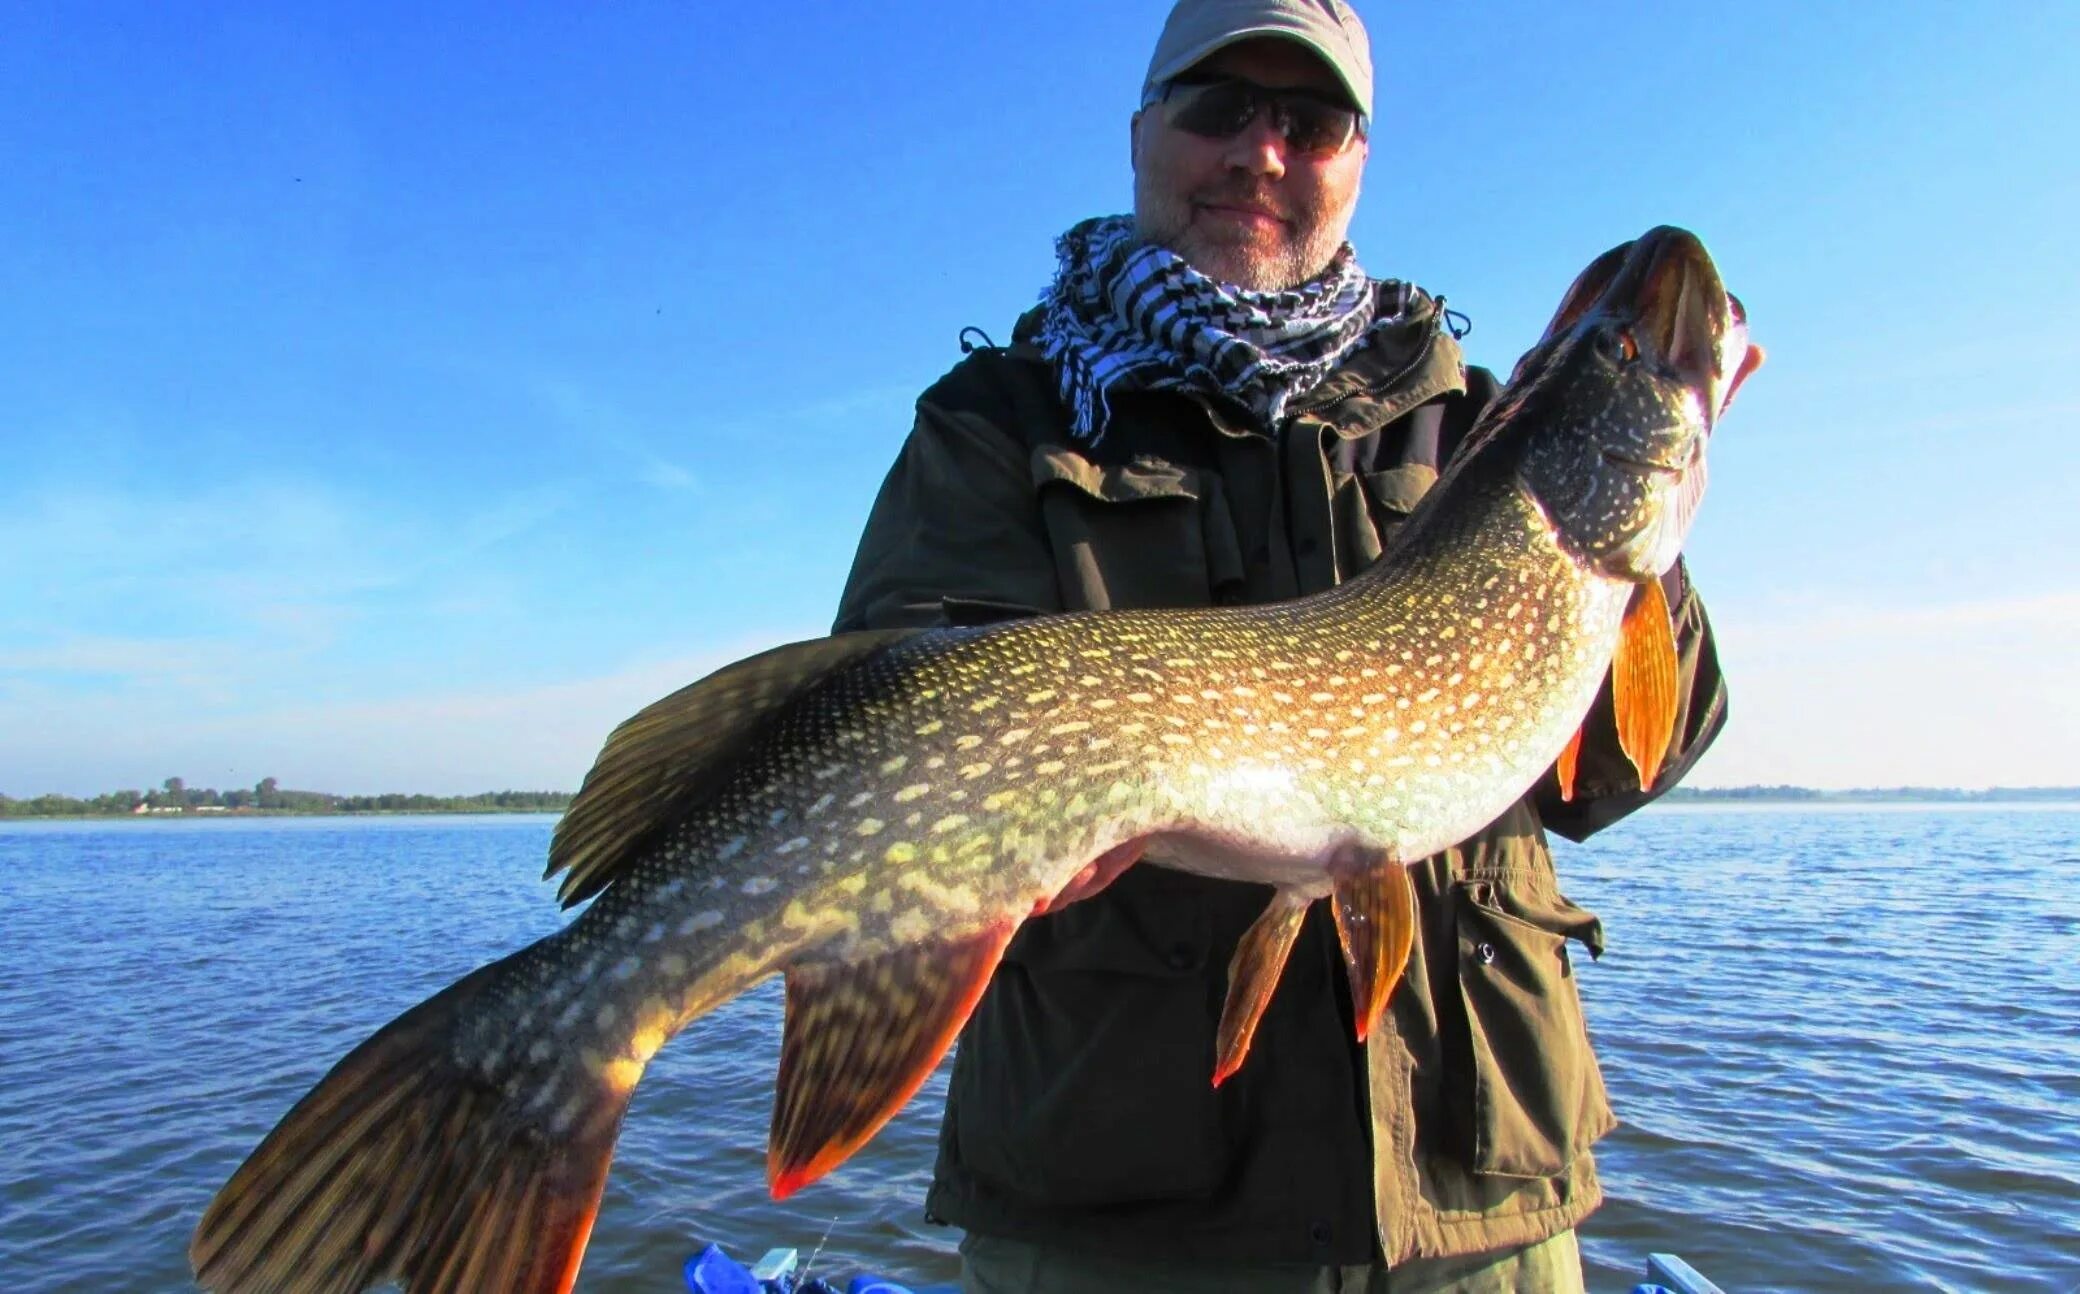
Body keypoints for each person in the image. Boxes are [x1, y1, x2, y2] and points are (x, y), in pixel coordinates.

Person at [833, 2, 1725, 1290]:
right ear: (1142, 133)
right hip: (1120, 1222)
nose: (1261, 153)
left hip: (1470, 1213)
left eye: (1308, 123)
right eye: (1218, 110)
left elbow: (1616, 777)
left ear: (1357, 161)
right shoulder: (1001, 424)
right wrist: (1028, 820)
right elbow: (900, 687)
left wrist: (1651, 538)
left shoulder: (1470, 423)